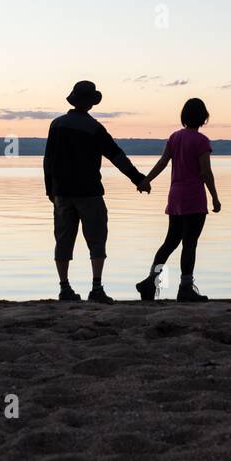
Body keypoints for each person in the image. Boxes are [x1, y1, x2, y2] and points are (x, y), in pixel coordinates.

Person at [44, 80, 150, 303]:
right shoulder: (94, 128)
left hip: (62, 193)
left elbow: (48, 161)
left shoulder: (56, 125)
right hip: (89, 192)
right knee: (97, 239)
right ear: (91, 103)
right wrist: (138, 179)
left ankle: (64, 288)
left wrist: (50, 191)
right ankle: (96, 288)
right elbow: (116, 155)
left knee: (63, 240)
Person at [135, 98, 221, 302]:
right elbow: (206, 172)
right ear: (203, 118)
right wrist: (215, 198)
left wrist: (146, 180)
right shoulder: (201, 141)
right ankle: (185, 288)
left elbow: (163, 162)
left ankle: (150, 281)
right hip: (193, 198)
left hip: (176, 197)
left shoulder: (174, 137)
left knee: (170, 242)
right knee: (189, 244)